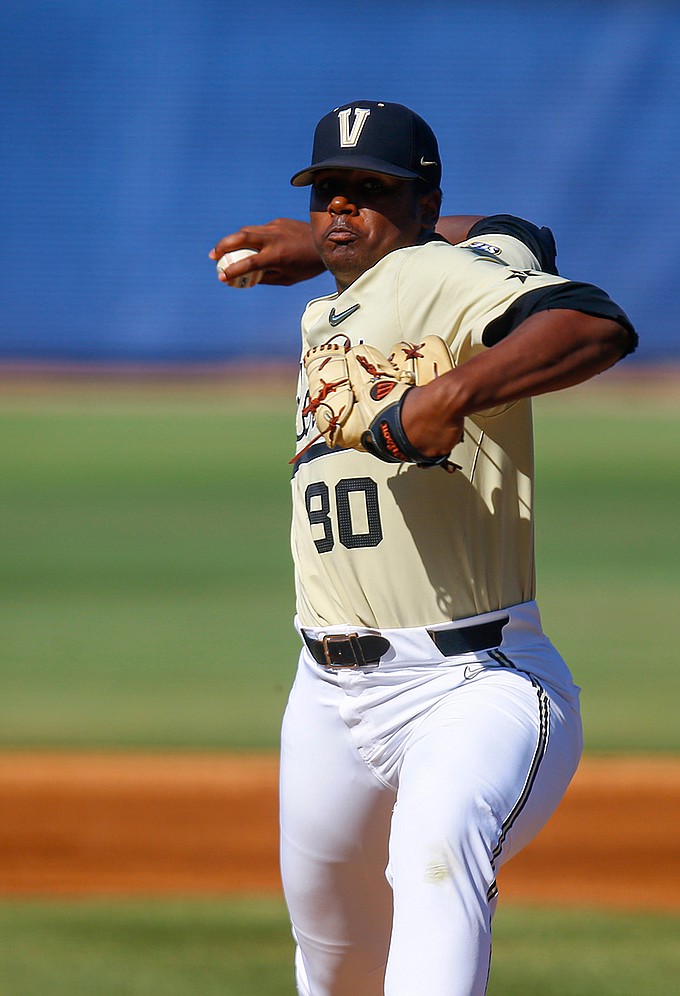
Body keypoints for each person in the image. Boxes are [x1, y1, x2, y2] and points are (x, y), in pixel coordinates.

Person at [210, 99, 637, 996]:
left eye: (371, 191)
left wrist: (452, 395)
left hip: (471, 684)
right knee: (335, 965)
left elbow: (592, 322)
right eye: (329, 190)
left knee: (435, 858)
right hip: (326, 697)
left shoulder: (438, 280)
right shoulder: (349, 299)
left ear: (421, 199)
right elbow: (516, 231)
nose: (342, 209)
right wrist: (322, 243)